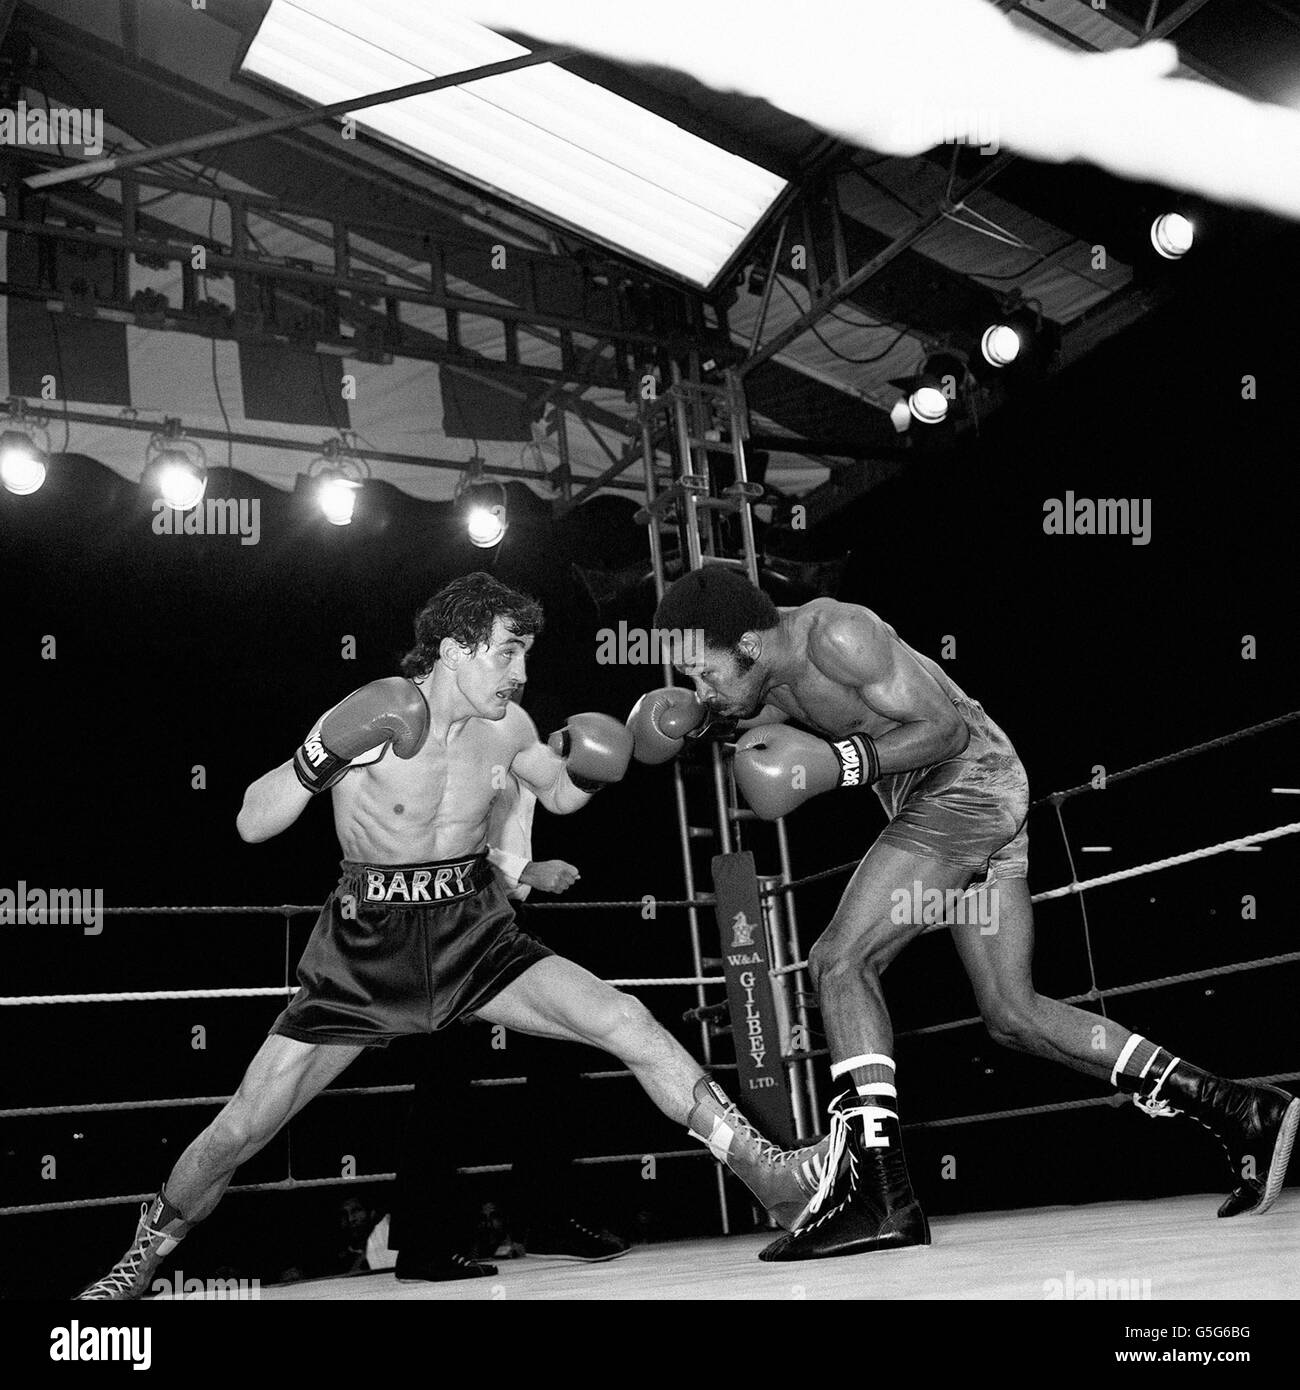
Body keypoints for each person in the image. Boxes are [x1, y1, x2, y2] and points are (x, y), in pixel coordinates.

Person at [75, 572, 826, 1300]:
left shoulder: (510, 729)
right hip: (365, 947)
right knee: (243, 1126)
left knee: (625, 1019)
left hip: (473, 930)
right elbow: (249, 819)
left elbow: (560, 796)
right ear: (452, 649)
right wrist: (320, 755)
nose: (521, 671)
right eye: (506, 651)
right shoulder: (374, 718)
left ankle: (773, 1178)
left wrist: (617, 753)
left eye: (527, 651)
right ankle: (143, 1255)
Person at [636, 567, 1298, 1262]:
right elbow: (760, 716)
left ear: (747, 641)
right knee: (1013, 1013)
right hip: (956, 799)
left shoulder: (838, 633)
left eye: (700, 673)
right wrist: (697, 722)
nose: (698, 687)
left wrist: (835, 765)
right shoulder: (766, 672)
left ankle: (882, 1195)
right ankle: (1238, 1108)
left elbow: (944, 731)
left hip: (965, 782)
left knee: (840, 961)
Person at [389, 771, 627, 1281]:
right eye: (506, 684)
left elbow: (559, 796)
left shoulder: (517, 738)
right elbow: (435, 835)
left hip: (503, 920)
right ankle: (421, 1244)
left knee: (561, 1051)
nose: (514, 687)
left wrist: (587, 769)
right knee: (443, 1077)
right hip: (446, 920)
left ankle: (544, 1218)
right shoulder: (445, 737)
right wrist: (527, 869)